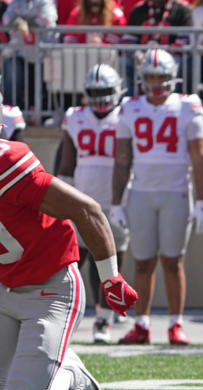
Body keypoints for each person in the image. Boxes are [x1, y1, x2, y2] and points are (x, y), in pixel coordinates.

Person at [0, 140, 138, 390]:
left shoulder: (6, 161)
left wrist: (110, 278)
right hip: (4, 286)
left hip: (51, 285)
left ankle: (71, 373)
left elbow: (85, 208)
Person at [111, 49, 203, 345]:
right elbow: (122, 157)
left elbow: (200, 158)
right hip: (141, 192)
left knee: (172, 261)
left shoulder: (187, 106)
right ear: (142, 79)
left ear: (172, 78)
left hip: (176, 192)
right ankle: (141, 324)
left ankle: (175, 324)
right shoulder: (130, 107)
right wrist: (116, 203)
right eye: (151, 76)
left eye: (161, 77)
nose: (155, 82)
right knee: (142, 262)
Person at [57, 64, 130, 344]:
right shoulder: (75, 117)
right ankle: (71, 313)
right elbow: (67, 163)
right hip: (84, 196)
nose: (100, 98)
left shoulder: (126, 115)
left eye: (105, 92)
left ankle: (105, 317)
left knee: (112, 259)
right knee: (76, 260)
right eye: (95, 92)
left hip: (115, 199)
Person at [120, 0, 193, 96]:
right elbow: (128, 40)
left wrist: (160, 56)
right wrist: (139, 55)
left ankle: (173, 99)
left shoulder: (182, 9)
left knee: (179, 61)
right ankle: (129, 102)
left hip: (170, 58)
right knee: (122, 61)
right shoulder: (138, 9)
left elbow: (184, 40)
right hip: (143, 59)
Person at [1, 0, 57, 109]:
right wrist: (18, 23)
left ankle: (44, 116)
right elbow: (7, 17)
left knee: (45, 91)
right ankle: (11, 113)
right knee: (12, 73)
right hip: (22, 53)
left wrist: (26, 24)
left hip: (45, 55)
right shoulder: (17, 2)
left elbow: (47, 20)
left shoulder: (45, 2)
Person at [62, 0, 126, 44]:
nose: (94, 4)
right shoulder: (77, 13)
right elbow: (69, 41)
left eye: (97, 4)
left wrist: (101, 45)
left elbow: (119, 44)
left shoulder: (115, 14)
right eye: (91, 3)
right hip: (82, 57)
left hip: (107, 58)